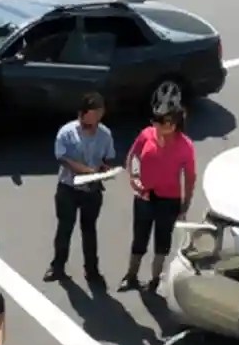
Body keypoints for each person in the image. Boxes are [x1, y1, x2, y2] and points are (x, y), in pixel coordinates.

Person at [118, 95, 197, 293]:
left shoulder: (185, 146)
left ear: (171, 124)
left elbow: (189, 177)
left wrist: (185, 205)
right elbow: (132, 156)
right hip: (144, 196)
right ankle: (131, 275)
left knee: (162, 241)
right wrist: (134, 179)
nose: (154, 124)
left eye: (159, 121)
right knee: (139, 238)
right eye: (154, 120)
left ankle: (154, 280)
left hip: (168, 201)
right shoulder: (147, 135)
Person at [43, 92, 115, 285]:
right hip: (68, 188)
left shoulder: (105, 134)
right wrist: (85, 171)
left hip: (92, 191)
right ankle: (57, 266)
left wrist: (103, 169)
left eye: (99, 113)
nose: (97, 118)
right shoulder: (67, 133)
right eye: (93, 113)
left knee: (89, 230)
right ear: (83, 113)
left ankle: (91, 270)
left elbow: (108, 157)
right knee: (64, 228)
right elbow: (62, 157)